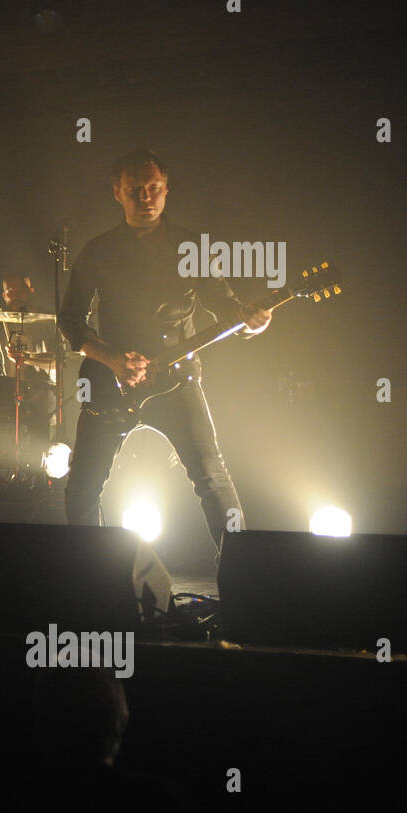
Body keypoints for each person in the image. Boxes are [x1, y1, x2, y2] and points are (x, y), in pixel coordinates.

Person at [58, 149, 271, 549]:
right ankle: (94, 584)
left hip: (178, 380)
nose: (145, 198)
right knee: (83, 487)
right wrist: (112, 360)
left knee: (212, 477)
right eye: (134, 190)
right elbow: (70, 319)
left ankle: (244, 579)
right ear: (117, 194)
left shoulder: (192, 247)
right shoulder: (98, 250)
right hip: (110, 381)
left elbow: (224, 305)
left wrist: (251, 323)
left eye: (154, 188)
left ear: (167, 190)